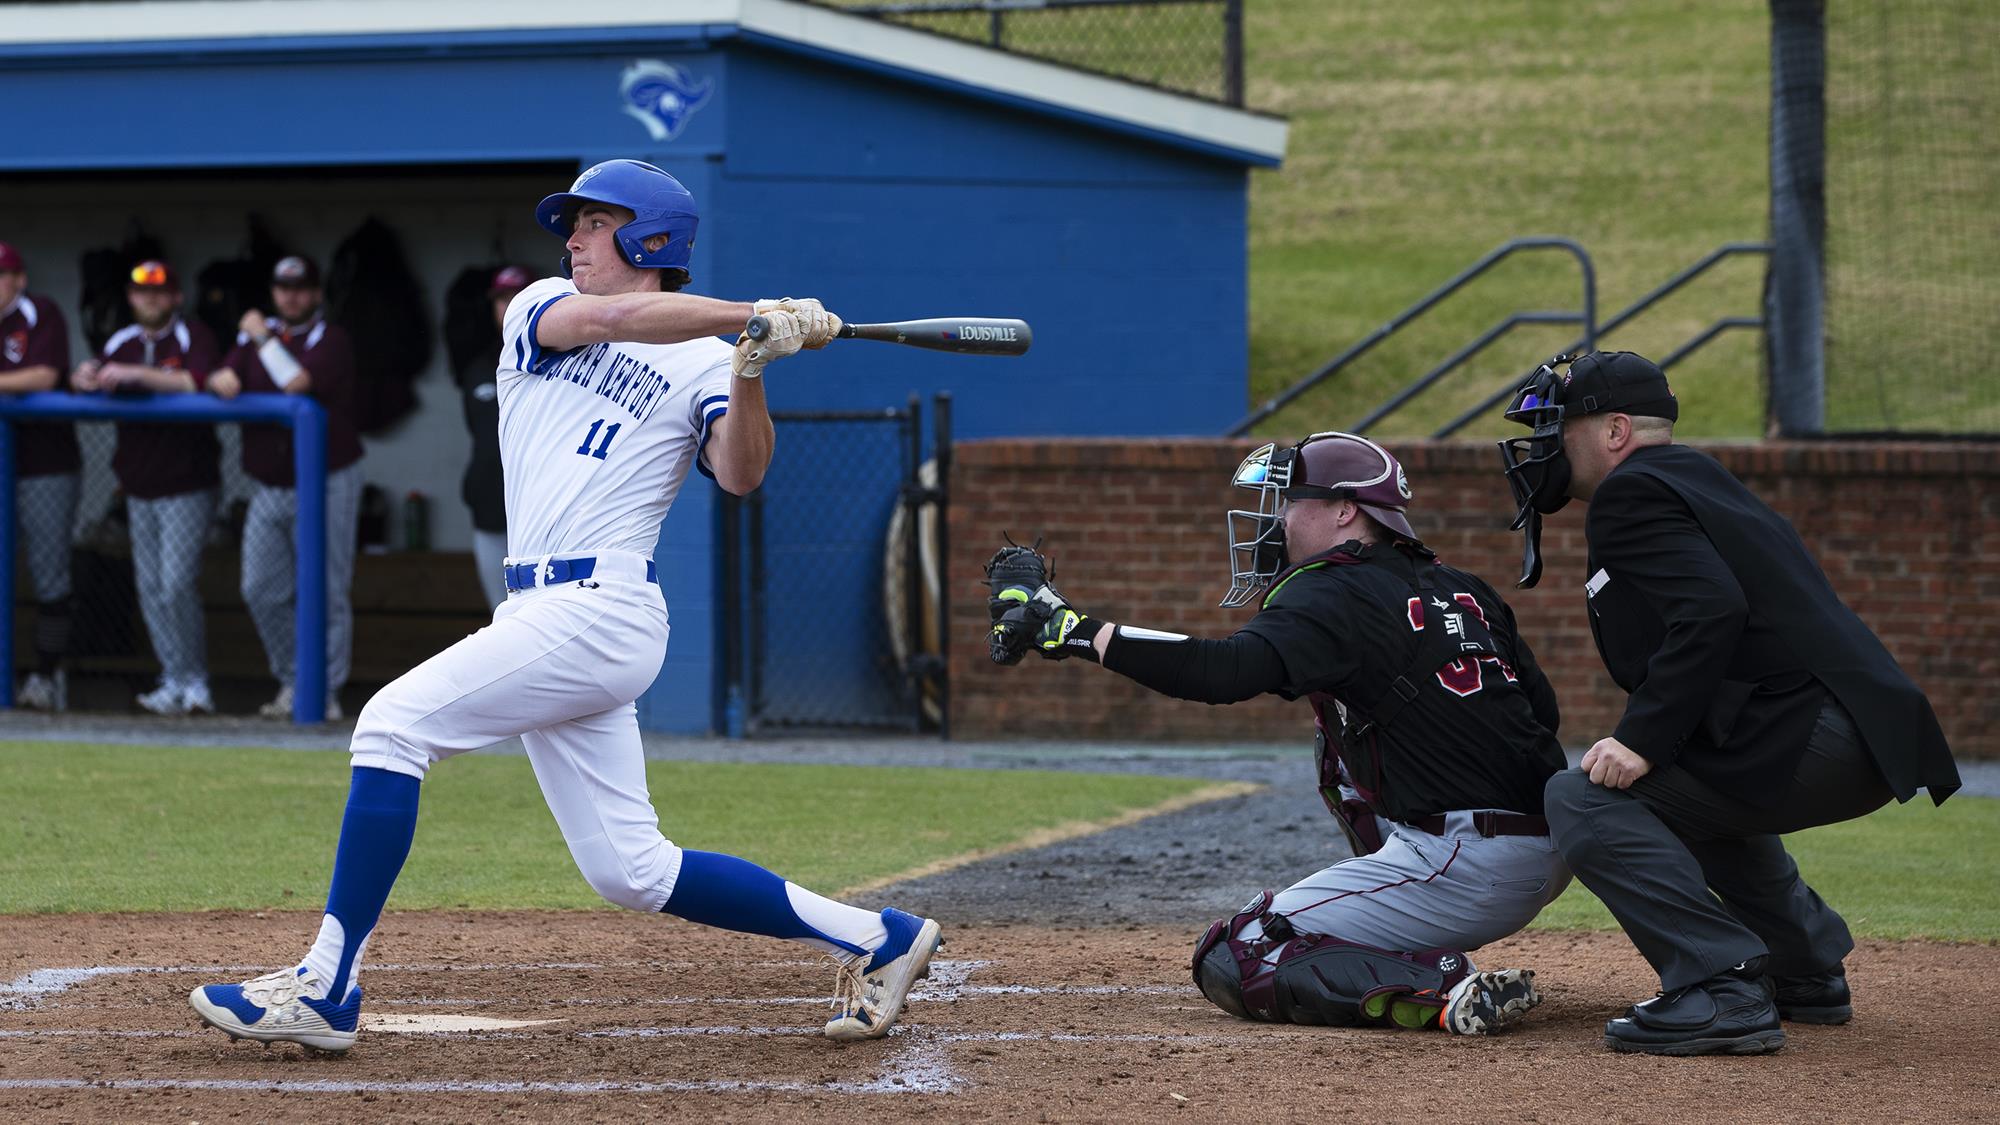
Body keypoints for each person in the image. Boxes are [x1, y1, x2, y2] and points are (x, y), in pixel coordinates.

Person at [190, 159, 943, 1052]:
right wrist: (753, 313)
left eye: (594, 223)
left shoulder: (707, 359)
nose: (573, 240)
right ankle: (878, 935)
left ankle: (325, 985)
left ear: (650, 239)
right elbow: (616, 320)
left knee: (390, 725)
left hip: (602, 607)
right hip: (540, 611)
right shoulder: (541, 306)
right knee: (631, 869)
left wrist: (751, 366)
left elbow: (741, 473)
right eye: (575, 224)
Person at [987, 431, 1569, 1035]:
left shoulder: (1334, 586)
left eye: (1292, 500)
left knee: (1239, 952)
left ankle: (1443, 985)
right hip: (1549, 843)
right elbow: (1541, 715)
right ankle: (1394, 911)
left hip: (1468, 864)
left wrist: (1077, 631)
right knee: (1337, 743)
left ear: (1346, 510)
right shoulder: (1465, 587)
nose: (1281, 517)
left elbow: (1222, 671)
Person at [1499, 350, 1962, 1056]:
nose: (1545, 447)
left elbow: (1711, 609)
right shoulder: (1694, 477)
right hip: (1856, 731)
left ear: (1616, 430)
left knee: (1582, 797)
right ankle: (1803, 968)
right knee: (1678, 794)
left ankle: (1719, 985)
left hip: (1812, 733)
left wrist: (1642, 737)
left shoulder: (1631, 492)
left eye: (1559, 428)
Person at [210, 255, 364, 720]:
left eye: (300, 288)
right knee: (260, 588)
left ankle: (324, 692)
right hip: (269, 484)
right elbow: (223, 376)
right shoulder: (254, 337)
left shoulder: (330, 338)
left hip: (327, 479)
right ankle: (295, 681)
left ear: (315, 293)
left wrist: (261, 337)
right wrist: (223, 377)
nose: (291, 296)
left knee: (327, 590)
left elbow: (296, 382)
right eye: (283, 288)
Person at [71, 260, 222, 716]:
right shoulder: (122, 340)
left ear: (176, 296)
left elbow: (196, 380)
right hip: (139, 484)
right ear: (131, 297)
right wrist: (85, 378)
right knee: (152, 588)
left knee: (176, 584)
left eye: (159, 291)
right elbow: (95, 376)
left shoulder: (193, 335)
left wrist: (138, 374)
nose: (150, 299)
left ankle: (195, 683)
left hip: (186, 482)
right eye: (142, 292)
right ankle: (172, 679)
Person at [0, 242, 81, 710]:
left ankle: (46, 676)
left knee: (50, 575)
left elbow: (44, 376)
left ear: (19, 279)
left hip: (46, 466)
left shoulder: (40, 312)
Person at [461, 265, 529, 610]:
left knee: (537, 614)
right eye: (502, 299)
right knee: (500, 614)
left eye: (518, 297)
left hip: (539, 510)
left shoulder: (564, 360)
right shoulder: (478, 367)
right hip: (490, 506)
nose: (509, 306)